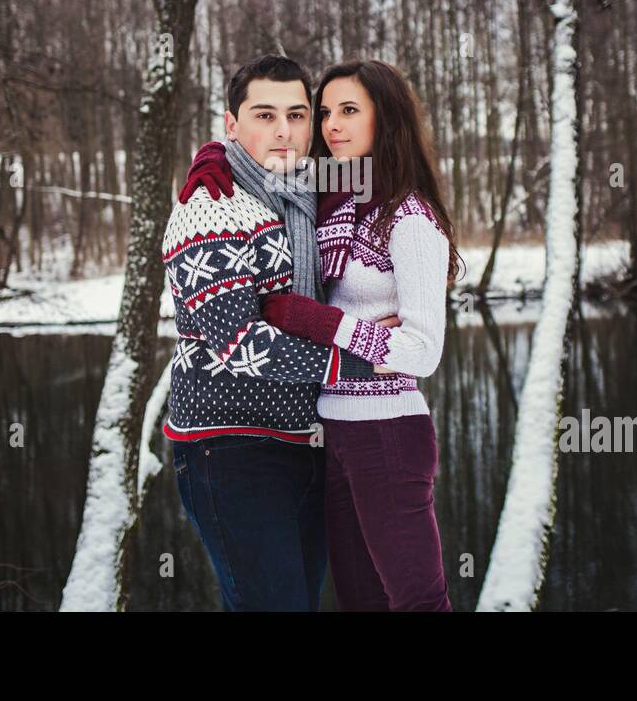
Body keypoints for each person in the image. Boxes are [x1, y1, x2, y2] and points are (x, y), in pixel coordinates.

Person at [181, 59, 460, 611]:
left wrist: (323, 324)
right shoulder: (316, 195)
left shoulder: (391, 210)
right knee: (355, 600)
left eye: (347, 111)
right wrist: (212, 156)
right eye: (325, 111)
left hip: (376, 430)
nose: (329, 126)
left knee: (413, 601)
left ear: (388, 118)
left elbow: (423, 352)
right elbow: (259, 161)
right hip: (290, 438)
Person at [160, 53, 385, 612]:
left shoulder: (307, 184)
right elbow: (242, 345)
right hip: (229, 447)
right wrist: (366, 358)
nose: (284, 131)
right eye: (264, 115)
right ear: (231, 125)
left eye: (297, 114)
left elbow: (391, 168)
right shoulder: (212, 206)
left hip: (306, 440)